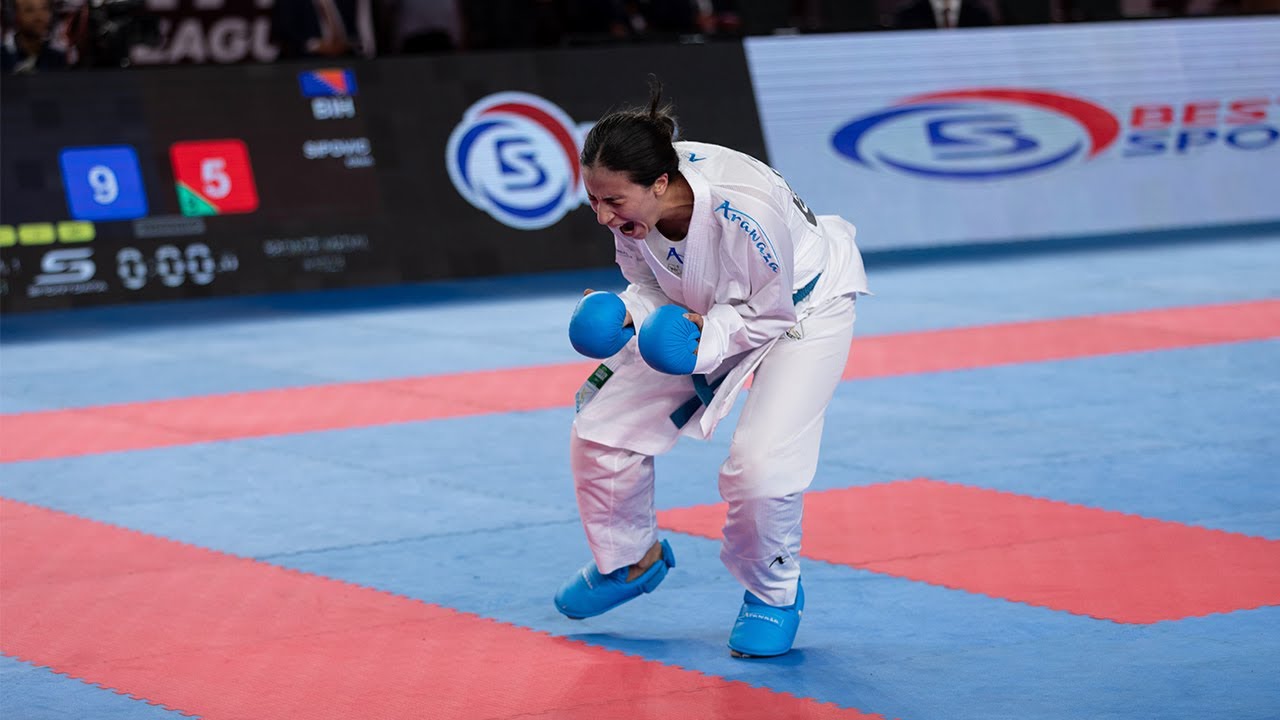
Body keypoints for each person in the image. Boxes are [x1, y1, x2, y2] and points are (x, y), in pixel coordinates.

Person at [555, 79, 869, 658]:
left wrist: (699, 342)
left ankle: (773, 594)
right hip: (704, 307)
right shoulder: (636, 208)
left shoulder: (743, 212)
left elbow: (767, 312)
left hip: (802, 310)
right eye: (593, 200)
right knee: (601, 425)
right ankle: (629, 560)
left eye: (614, 202)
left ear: (659, 183)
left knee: (760, 466)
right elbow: (649, 282)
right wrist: (625, 311)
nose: (602, 215)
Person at [1, 0, 68, 73]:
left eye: (44, 8)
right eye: (29, 10)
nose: (39, 17)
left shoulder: (57, 59)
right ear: (15, 15)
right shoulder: (3, 58)